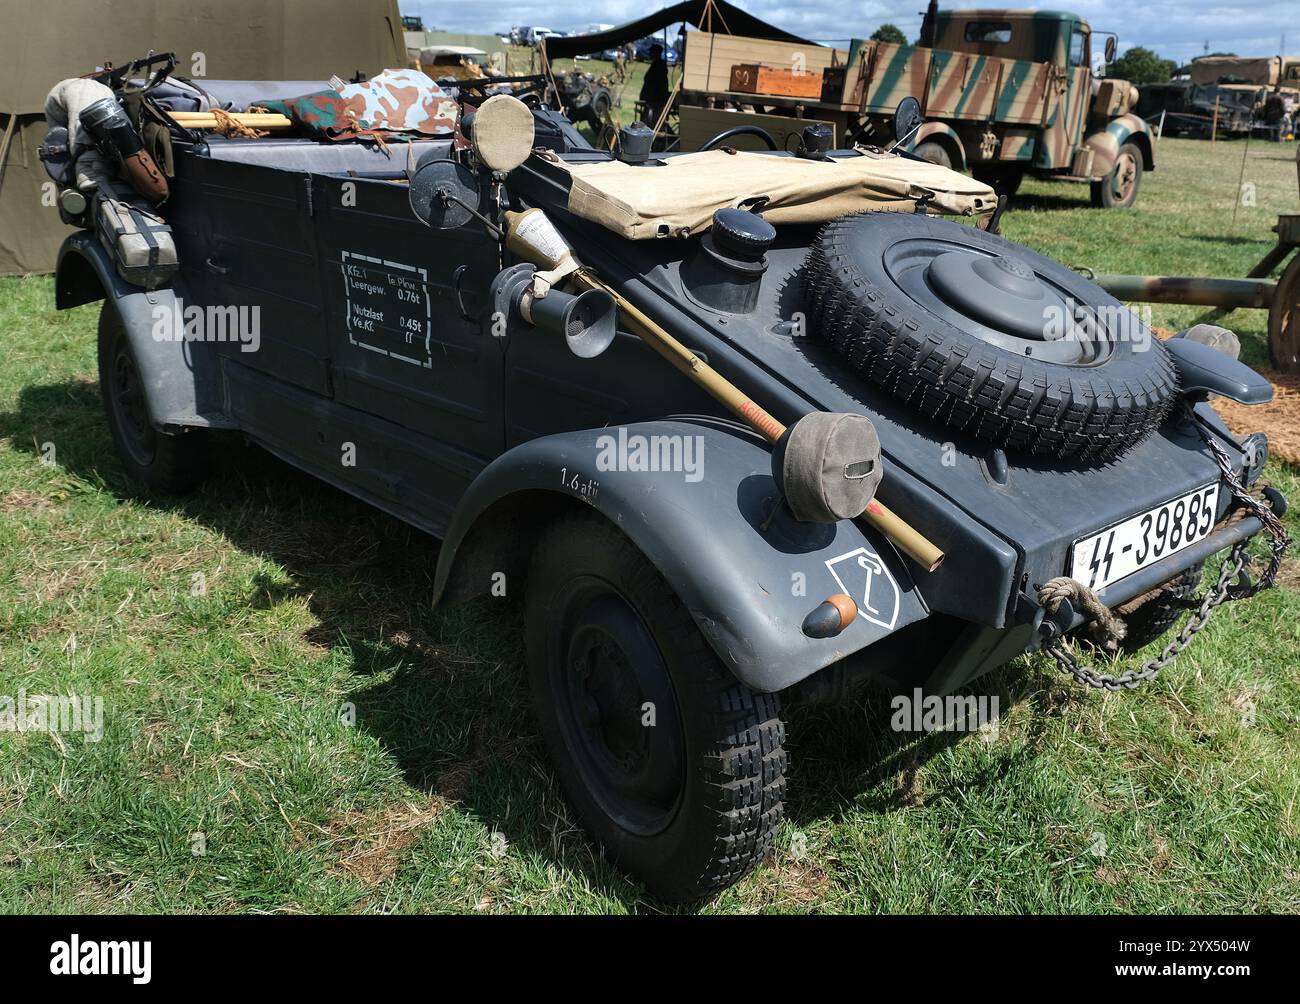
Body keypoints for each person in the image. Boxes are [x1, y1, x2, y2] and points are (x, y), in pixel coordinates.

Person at [639, 43, 669, 128]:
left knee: (653, 118)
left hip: (655, 99)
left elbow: (658, 83)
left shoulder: (659, 66)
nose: (650, 54)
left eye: (651, 53)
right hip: (651, 98)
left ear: (656, 54)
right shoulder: (656, 65)